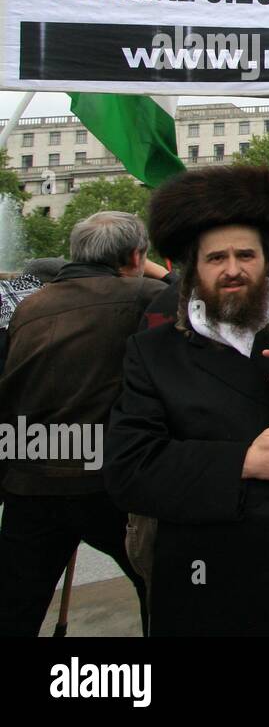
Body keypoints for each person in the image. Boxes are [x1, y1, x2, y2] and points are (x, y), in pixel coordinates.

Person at [104, 167, 269, 636]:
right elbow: (130, 470)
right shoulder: (153, 351)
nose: (232, 269)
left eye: (245, 254)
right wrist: (240, 462)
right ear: (194, 267)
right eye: (216, 257)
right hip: (209, 577)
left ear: (267, 260)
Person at [0, 213, 166, 635]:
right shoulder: (143, 293)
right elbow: (195, 300)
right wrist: (155, 270)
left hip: (28, 476)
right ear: (134, 255)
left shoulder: (30, 306)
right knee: (161, 588)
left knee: (16, 605)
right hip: (104, 481)